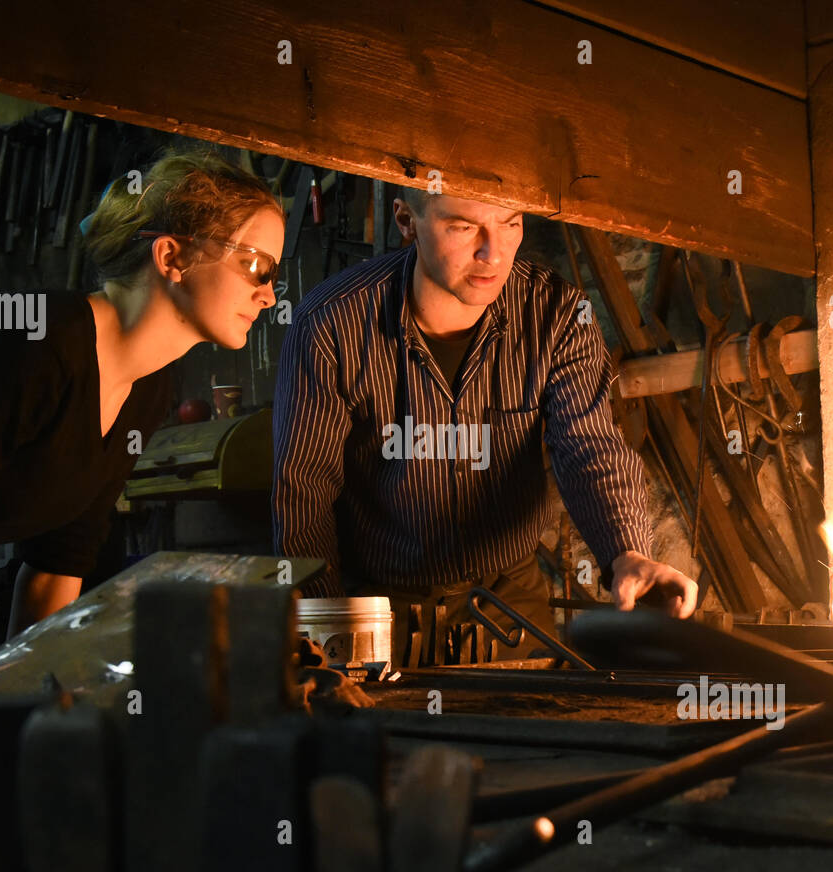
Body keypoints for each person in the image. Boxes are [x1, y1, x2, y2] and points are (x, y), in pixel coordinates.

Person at [0, 150, 285, 676]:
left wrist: (32, 709)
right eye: (256, 264)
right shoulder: (28, 345)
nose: (268, 295)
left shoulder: (147, 387)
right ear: (171, 258)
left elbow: (55, 569)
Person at [272, 186, 696, 654]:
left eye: (510, 223)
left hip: (508, 604)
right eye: (463, 226)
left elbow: (589, 446)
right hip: (378, 606)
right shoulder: (331, 322)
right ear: (406, 220)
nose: (493, 253)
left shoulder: (556, 314)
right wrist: (320, 631)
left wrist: (627, 552)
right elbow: (305, 489)